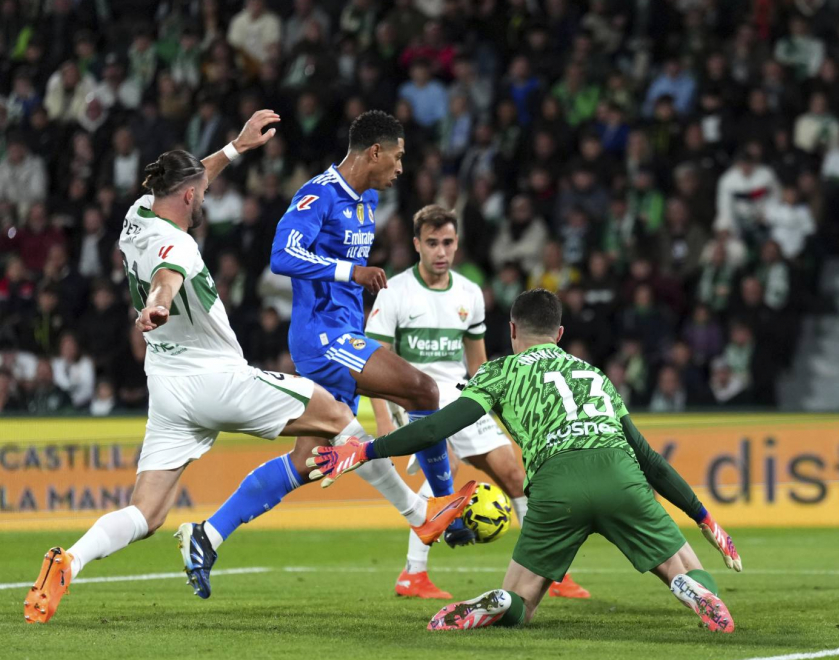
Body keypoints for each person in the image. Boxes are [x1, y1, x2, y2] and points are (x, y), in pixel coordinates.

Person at [22, 112, 475, 624]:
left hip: (167, 388)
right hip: (216, 378)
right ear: (189, 198)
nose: (204, 200)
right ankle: (423, 515)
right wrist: (159, 302)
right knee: (338, 420)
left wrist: (236, 148)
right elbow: (170, 274)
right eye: (200, 195)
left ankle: (70, 561)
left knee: (146, 514)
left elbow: (193, 181)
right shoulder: (182, 246)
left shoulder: (137, 215)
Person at [310, 289, 743, 633]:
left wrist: (364, 450)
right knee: (684, 564)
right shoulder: (594, 373)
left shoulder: (499, 372)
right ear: (559, 334)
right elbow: (650, 459)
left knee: (521, 601)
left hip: (556, 487)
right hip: (619, 474)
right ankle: (688, 587)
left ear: (513, 330)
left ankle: (500, 602)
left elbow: (434, 428)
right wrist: (706, 518)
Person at [261, 109, 472, 546]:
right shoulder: (318, 195)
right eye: (396, 158)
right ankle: (442, 505)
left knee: (305, 462)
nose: (400, 168)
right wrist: (349, 273)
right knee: (424, 390)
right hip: (323, 335)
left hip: (345, 330)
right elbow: (281, 256)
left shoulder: (369, 200)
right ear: (374, 151)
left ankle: (209, 532)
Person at [364, 205, 591, 600]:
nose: (441, 251)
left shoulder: (469, 294)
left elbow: (478, 364)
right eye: (432, 243)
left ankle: (547, 572)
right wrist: (384, 417)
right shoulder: (394, 291)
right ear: (417, 244)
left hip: (461, 397)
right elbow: (373, 359)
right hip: (413, 398)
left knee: (515, 475)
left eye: (448, 242)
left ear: (456, 244)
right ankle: (413, 574)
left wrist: (506, 416)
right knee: (445, 470)